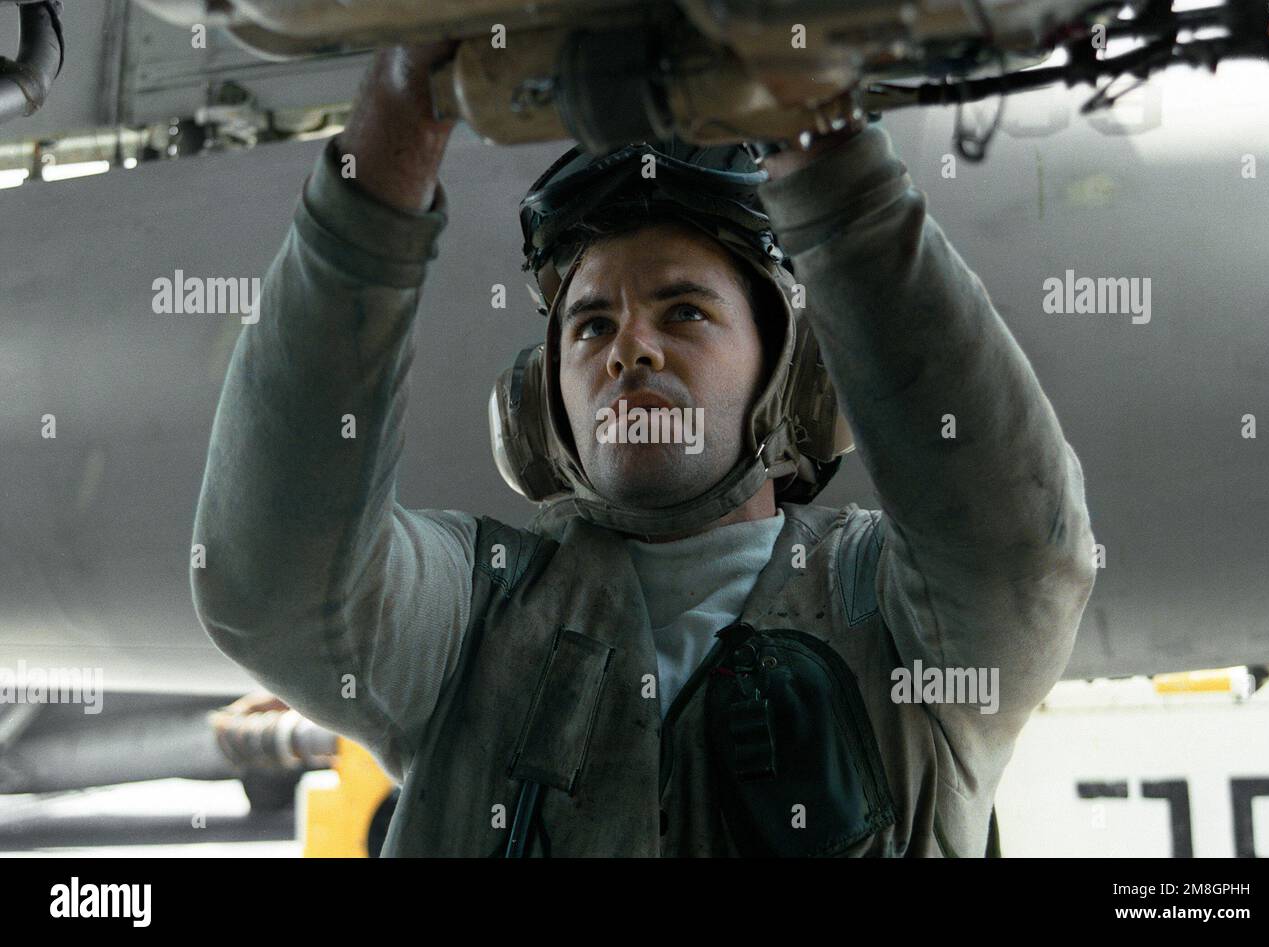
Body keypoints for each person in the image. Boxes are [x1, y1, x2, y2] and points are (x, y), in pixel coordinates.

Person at [191, 42, 1097, 857]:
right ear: (542, 401)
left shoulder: (897, 621)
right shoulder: (473, 618)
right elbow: (272, 584)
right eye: (590, 324)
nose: (631, 349)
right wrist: (389, 141)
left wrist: (829, 161)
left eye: (684, 310)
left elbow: (1021, 546)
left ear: (788, 374)